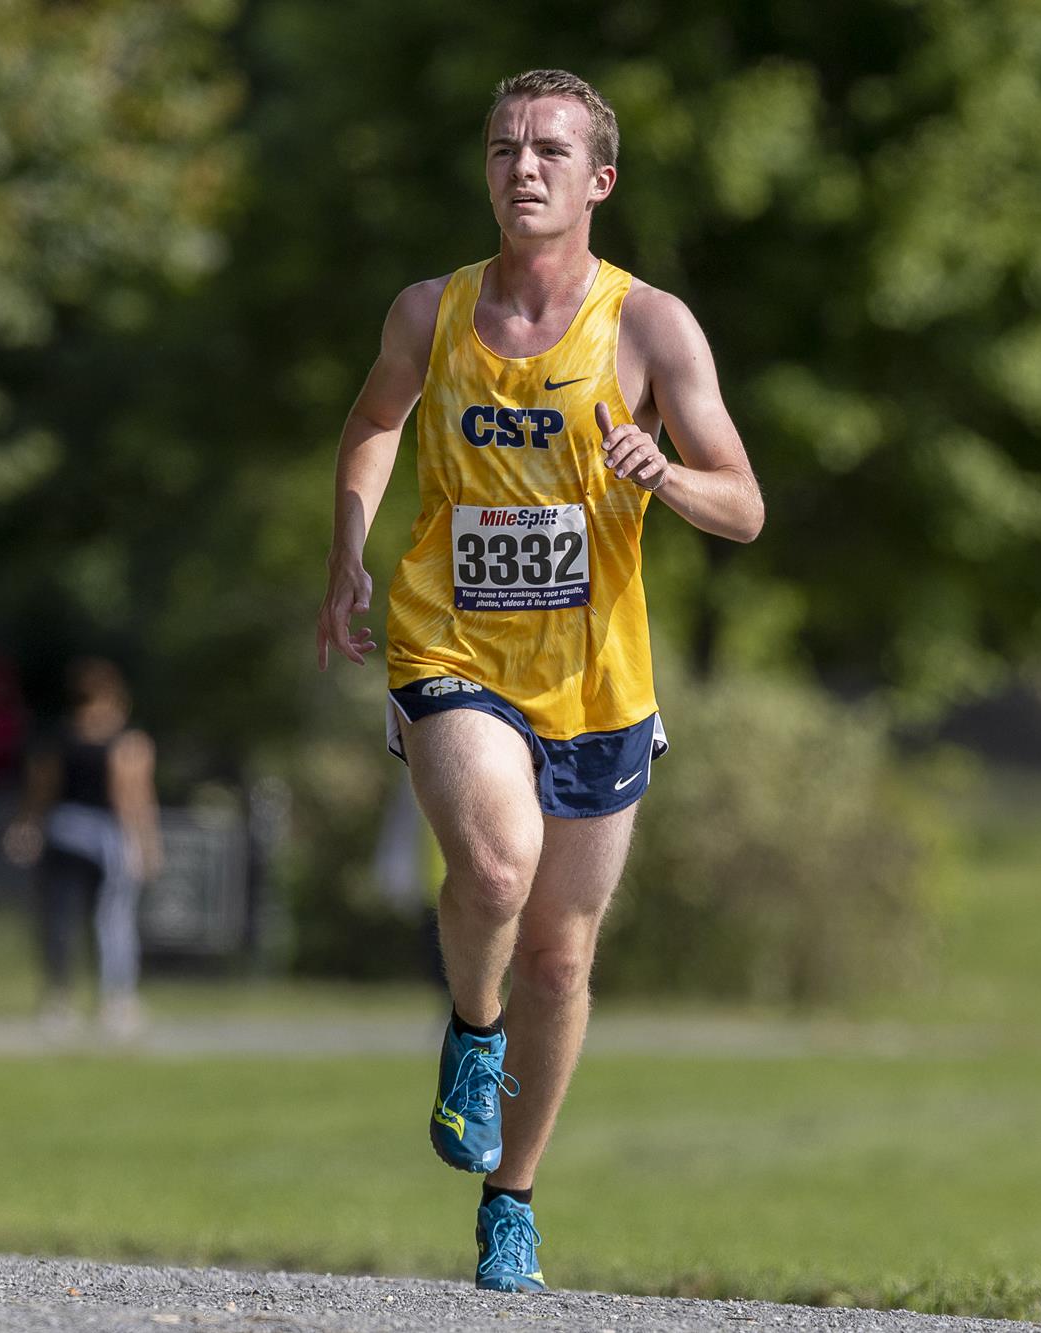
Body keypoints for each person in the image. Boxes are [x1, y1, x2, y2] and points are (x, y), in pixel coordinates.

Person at [314, 69, 763, 1293]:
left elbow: (745, 507)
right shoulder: (431, 311)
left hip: (599, 679)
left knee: (561, 953)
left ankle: (510, 1198)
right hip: (450, 646)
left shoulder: (650, 327)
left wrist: (660, 471)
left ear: (597, 180)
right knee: (498, 864)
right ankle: (471, 1030)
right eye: (506, 147)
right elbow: (371, 424)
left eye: (550, 151)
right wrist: (349, 548)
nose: (524, 167)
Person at [4, 659, 163, 1039]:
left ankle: (58, 1001)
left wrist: (26, 827)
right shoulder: (128, 743)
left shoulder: (59, 739)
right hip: (107, 835)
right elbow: (132, 798)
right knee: (114, 921)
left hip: (64, 830)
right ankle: (117, 1002)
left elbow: (40, 791)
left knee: (59, 919)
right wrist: (146, 845)